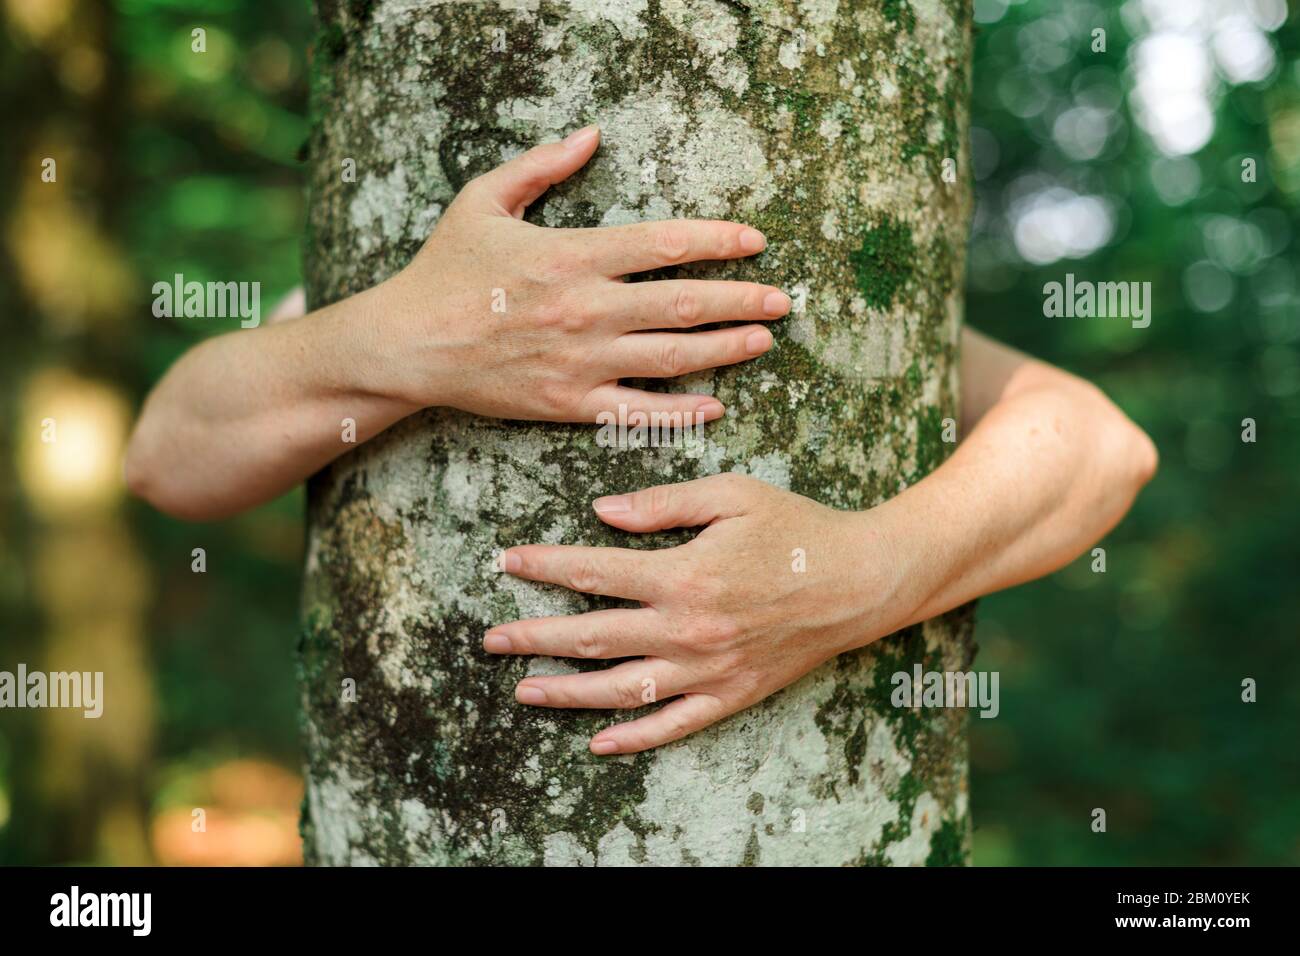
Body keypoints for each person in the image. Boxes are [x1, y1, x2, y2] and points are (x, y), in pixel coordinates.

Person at [126, 126, 1157, 756]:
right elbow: (169, 451)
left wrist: (859, 570)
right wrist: (417, 335)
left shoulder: (818, 294)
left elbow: (1097, 446)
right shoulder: (380, 276)